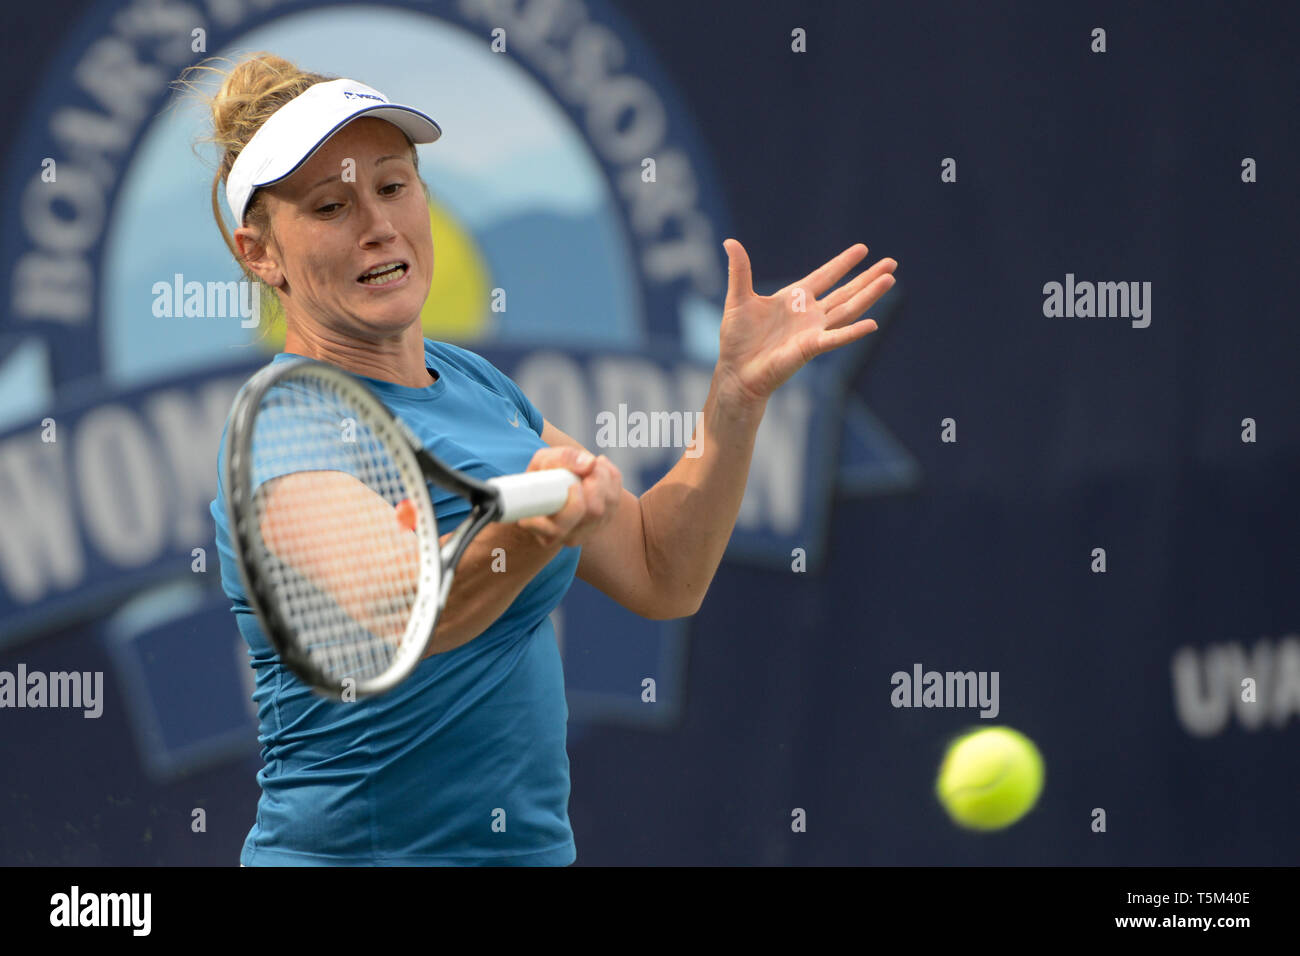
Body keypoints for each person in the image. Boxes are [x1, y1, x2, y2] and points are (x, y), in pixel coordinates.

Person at [191, 53, 897, 865]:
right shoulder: (286, 432)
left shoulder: (477, 385)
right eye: (329, 206)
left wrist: (734, 401)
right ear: (260, 254)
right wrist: (531, 535)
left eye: (393, 186)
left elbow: (663, 571)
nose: (377, 223)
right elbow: (401, 627)